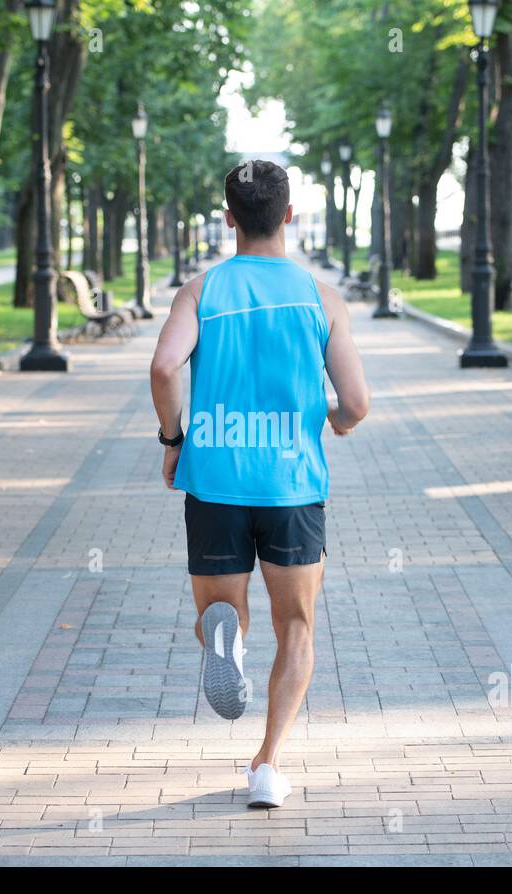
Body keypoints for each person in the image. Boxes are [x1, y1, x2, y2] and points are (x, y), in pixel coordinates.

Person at [149, 159, 370, 809]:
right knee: (297, 625)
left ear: (228, 219)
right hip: (292, 485)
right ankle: (268, 766)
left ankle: (229, 642)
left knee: (223, 616)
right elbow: (355, 403)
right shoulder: (321, 298)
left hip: (215, 478)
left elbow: (164, 367)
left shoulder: (201, 291)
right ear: (290, 217)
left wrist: (174, 437)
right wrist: (326, 420)